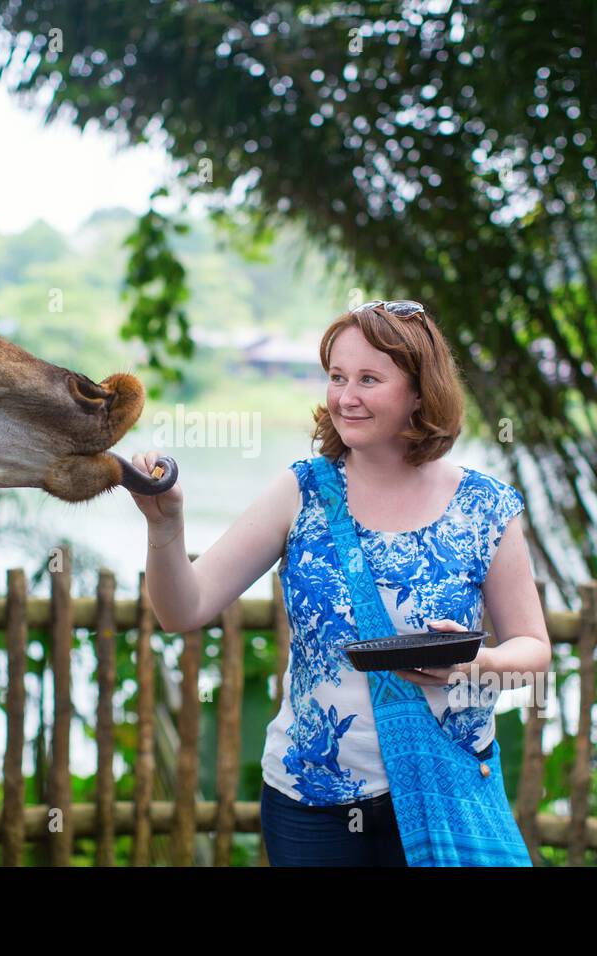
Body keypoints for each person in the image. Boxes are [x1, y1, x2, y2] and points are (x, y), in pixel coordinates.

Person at [124, 299, 551, 866]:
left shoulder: (485, 506)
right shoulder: (301, 493)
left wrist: (475, 667)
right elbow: (184, 609)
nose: (345, 397)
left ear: (421, 392)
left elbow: (534, 651)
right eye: (337, 377)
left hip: (442, 788)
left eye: (369, 379)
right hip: (312, 810)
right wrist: (166, 526)